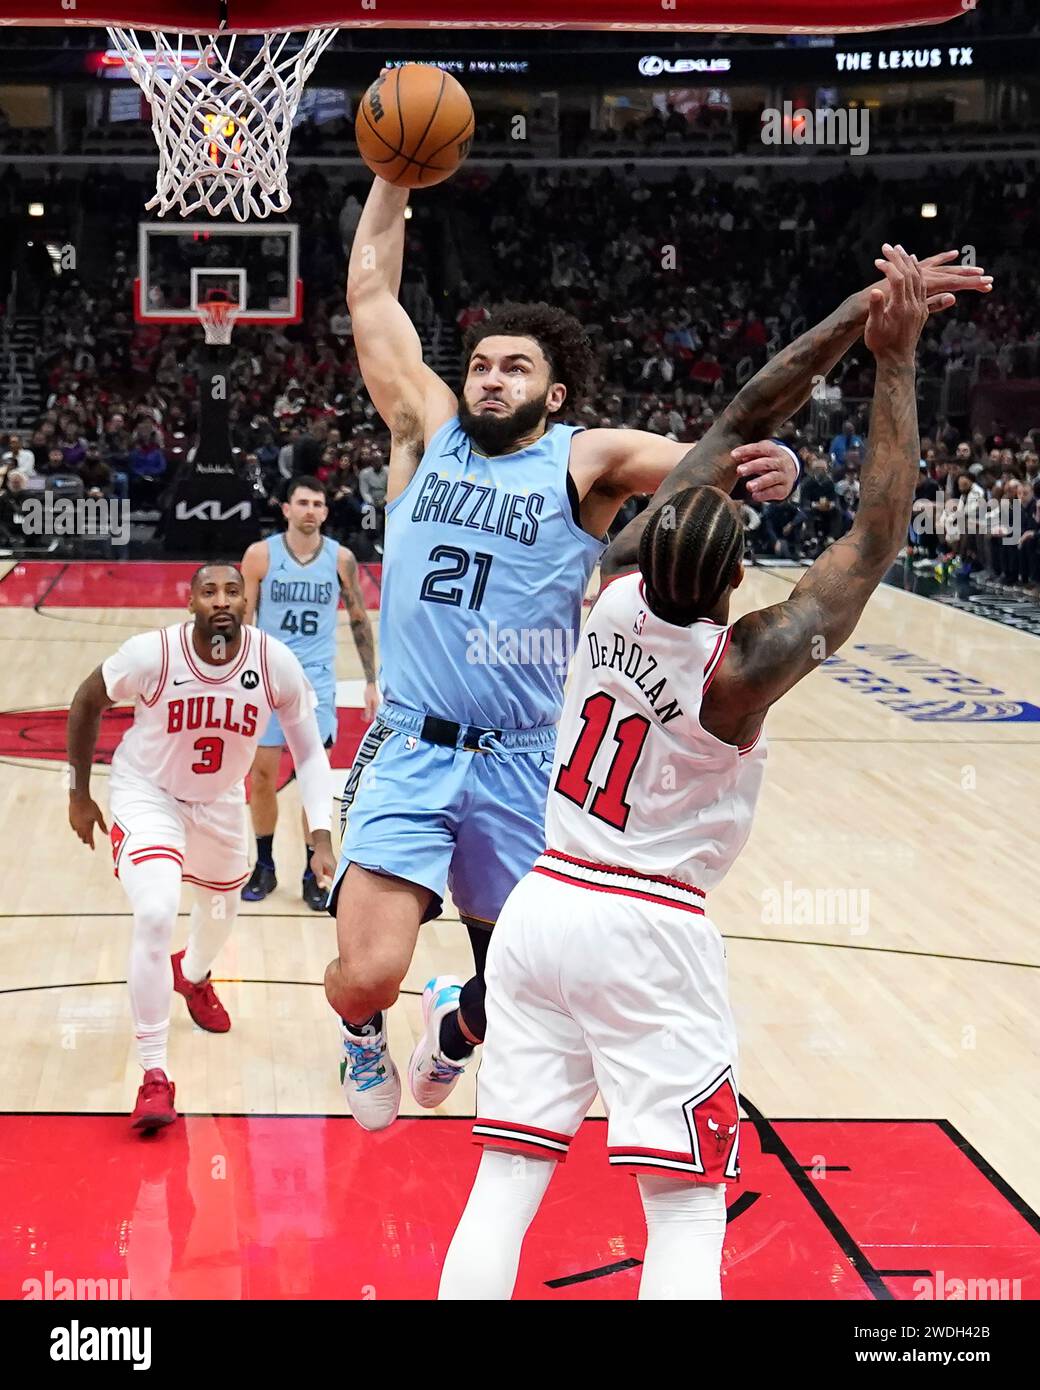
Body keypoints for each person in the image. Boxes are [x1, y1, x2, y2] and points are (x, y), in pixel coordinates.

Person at [439, 245, 931, 1301]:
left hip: (540, 907)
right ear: (740, 582)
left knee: (506, 1180)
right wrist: (895, 361)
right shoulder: (738, 672)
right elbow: (875, 535)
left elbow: (736, 422)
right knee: (684, 1203)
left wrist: (853, 316)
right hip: (647, 933)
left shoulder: (604, 591)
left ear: (646, 544)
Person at [323, 171, 820, 1133]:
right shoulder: (425, 431)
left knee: (528, 992)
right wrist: (391, 179)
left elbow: (712, 452)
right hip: (413, 745)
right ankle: (359, 1033)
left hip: (522, 759)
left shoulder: (583, 459)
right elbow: (371, 295)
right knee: (369, 973)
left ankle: (454, 1032)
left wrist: (779, 465)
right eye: (479, 364)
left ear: (552, 392)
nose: (490, 377)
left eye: (514, 368)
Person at [66, 563, 336, 1133]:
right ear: (190, 602)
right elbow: (86, 700)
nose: (221, 600)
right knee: (158, 911)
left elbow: (310, 754)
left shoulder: (272, 662)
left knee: (219, 913)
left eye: (232, 591)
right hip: (148, 795)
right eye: (208, 591)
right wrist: (78, 793)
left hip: (219, 804)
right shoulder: (151, 655)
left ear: (247, 604)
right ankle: (155, 1075)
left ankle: (191, 976)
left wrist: (319, 834)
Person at [240, 478, 378, 910]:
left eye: (318, 503)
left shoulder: (341, 558)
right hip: (264, 679)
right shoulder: (260, 555)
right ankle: (264, 864)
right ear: (285, 509)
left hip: (315, 684)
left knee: (311, 783)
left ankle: (310, 869)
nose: (310, 510)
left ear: (325, 511)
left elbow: (358, 618)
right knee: (261, 777)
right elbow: (243, 619)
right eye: (302, 503)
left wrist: (371, 680)